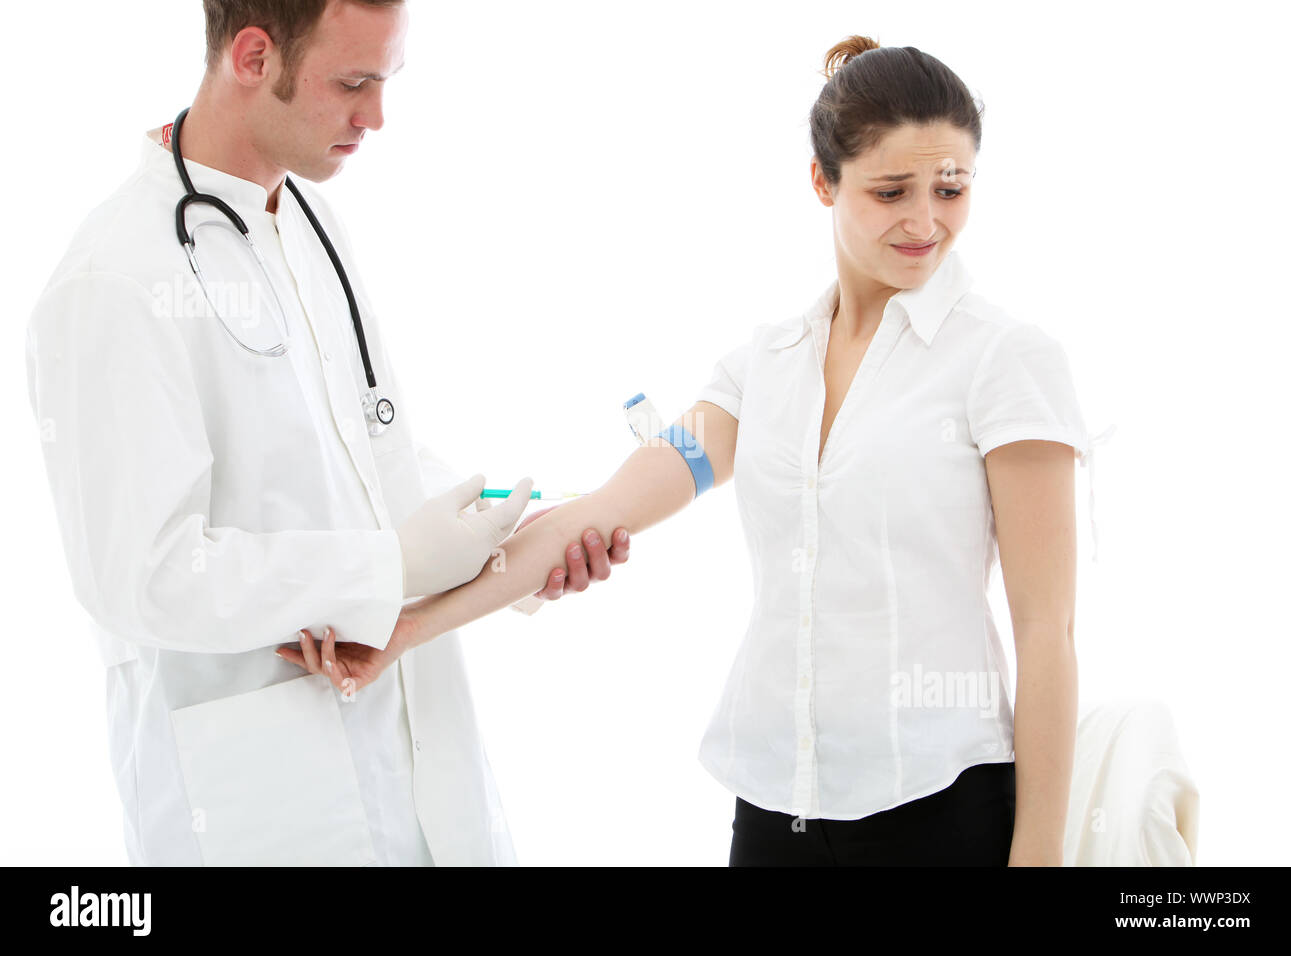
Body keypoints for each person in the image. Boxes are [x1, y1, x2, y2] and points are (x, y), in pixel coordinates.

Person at [286, 35, 1094, 866]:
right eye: (891, 191)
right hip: (777, 805)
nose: (927, 221)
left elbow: (1047, 629)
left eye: (951, 188)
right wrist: (405, 630)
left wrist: (1039, 853)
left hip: (941, 805)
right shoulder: (764, 370)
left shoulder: (1006, 362)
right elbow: (603, 509)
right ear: (822, 181)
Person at [24, 0, 630, 867]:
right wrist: (388, 570)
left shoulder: (303, 219)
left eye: (386, 80)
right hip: (260, 808)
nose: (376, 116)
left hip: (412, 767)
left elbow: (365, 449)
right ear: (252, 54)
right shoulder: (113, 281)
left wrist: (505, 541)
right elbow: (138, 578)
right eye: (352, 83)